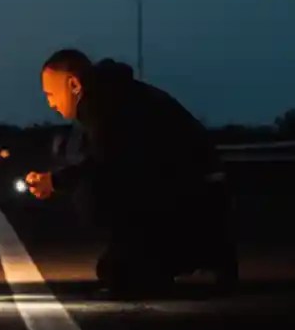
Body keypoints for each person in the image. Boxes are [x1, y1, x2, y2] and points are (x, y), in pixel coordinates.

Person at [26, 48, 238, 296]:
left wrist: (55, 181)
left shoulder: (101, 102)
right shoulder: (118, 94)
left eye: (51, 94)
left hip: (190, 198)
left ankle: (190, 250)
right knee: (114, 263)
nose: (50, 103)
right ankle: (197, 250)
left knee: (94, 195)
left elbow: (107, 161)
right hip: (200, 193)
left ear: (73, 84)